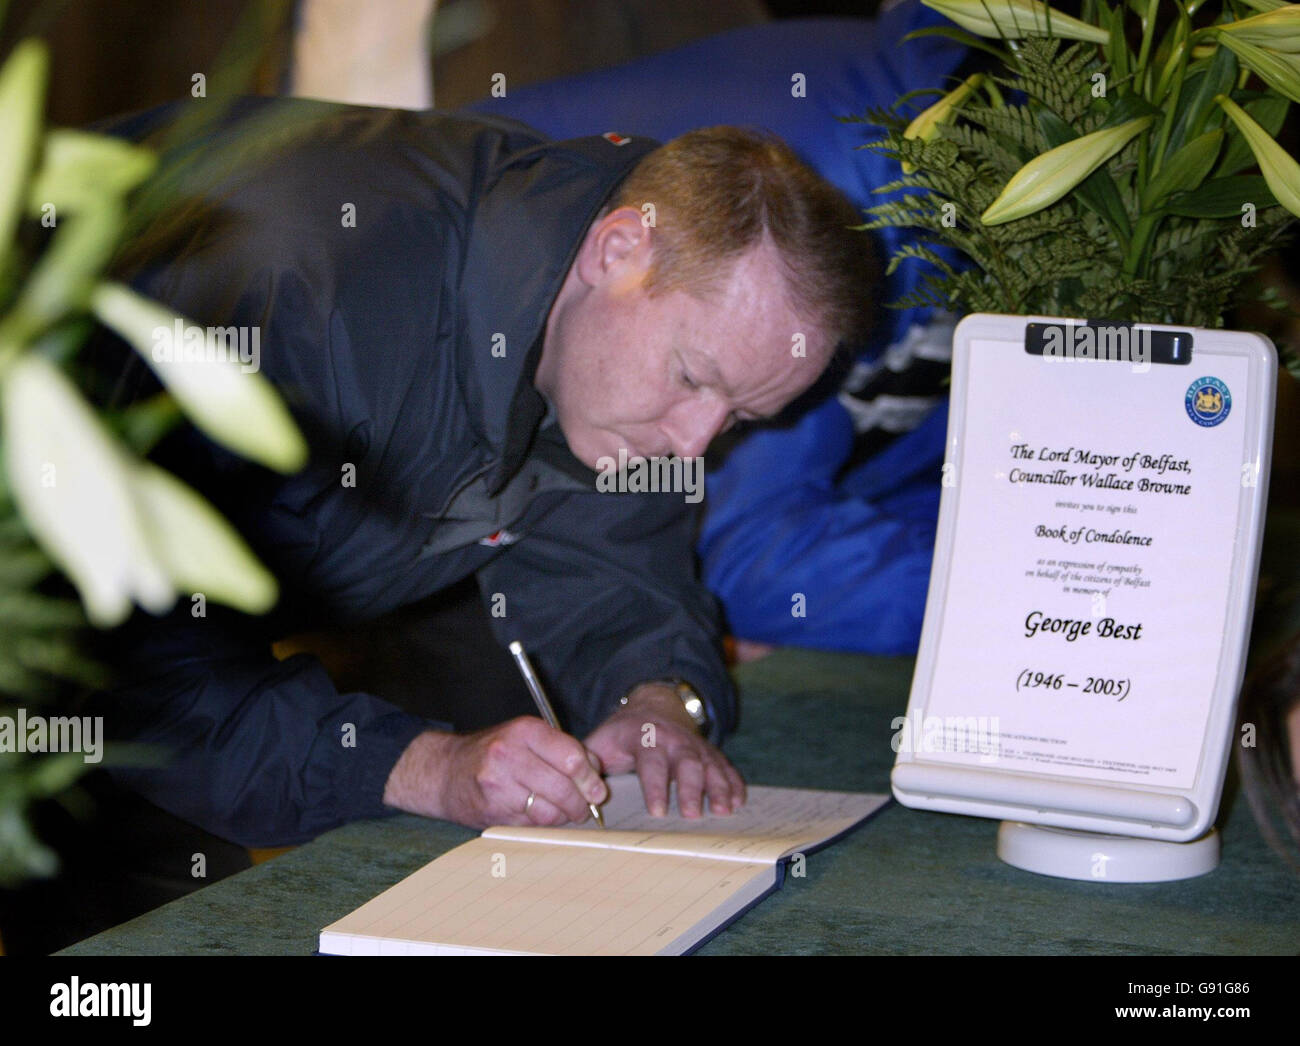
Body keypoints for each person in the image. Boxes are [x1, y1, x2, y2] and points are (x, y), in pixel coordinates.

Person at [92, 100, 876, 846]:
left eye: (738, 416)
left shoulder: (584, 325)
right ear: (618, 250)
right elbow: (124, 668)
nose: (693, 445)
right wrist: (421, 768)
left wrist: (658, 697)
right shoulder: (299, 301)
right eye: (692, 377)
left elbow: (611, 570)